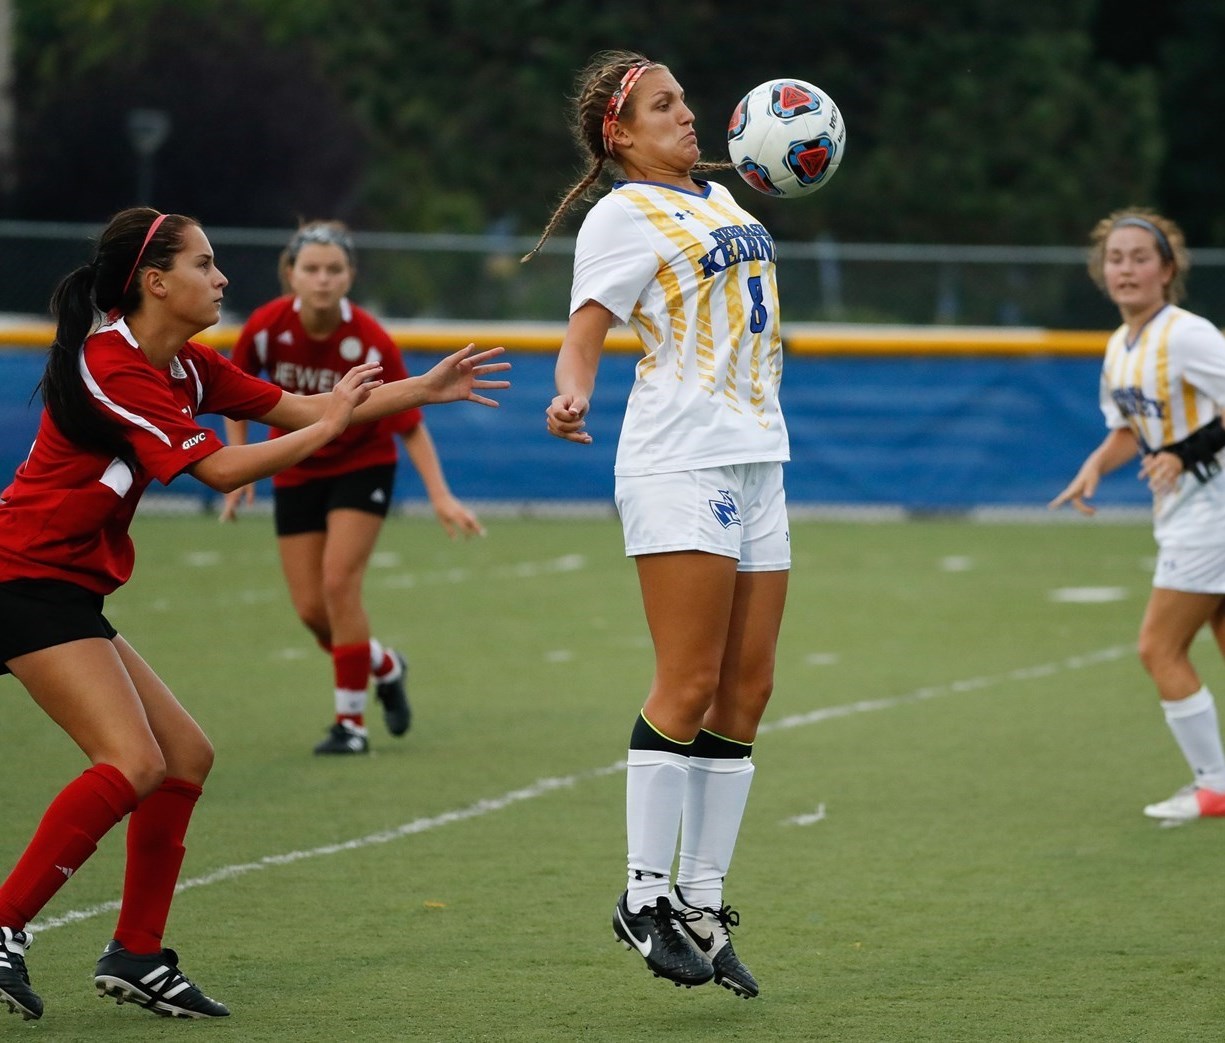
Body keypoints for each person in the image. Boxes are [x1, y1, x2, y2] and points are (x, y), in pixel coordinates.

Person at [0, 207, 508, 1022]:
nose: (223, 278)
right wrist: (332, 425)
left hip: (63, 587)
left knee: (184, 756)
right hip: (20, 581)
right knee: (130, 759)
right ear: (154, 281)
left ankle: (135, 951)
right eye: (205, 263)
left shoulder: (187, 368)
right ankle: (5, 921)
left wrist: (423, 389)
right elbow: (225, 466)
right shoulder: (111, 364)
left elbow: (300, 411)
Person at [524, 51, 792, 998]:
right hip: (680, 459)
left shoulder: (722, 202)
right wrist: (569, 396)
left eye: (684, 100)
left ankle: (704, 902)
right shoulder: (621, 211)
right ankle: (643, 896)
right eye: (662, 106)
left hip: (759, 458)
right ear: (619, 134)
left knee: (746, 689)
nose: (688, 116)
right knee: (687, 679)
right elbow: (586, 326)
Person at [220, 221, 484, 755]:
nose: (321, 280)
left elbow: (408, 422)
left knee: (340, 586)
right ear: (290, 274)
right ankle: (385, 665)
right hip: (296, 467)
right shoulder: (265, 330)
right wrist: (239, 467)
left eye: (333, 270)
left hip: (362, 467)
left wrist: (439, 493)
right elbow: (235, 395)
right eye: (311, 269)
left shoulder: (369, 340)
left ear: (350, 276)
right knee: (312, 611)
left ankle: (351, 725)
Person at [1051, 208, 1225, 824]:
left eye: (1139, 257)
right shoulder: (1122, 347)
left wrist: (1185, 453)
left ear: (1168, 269)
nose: (1125, 268)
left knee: (1158, 647)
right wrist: (1097, 464)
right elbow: (1129, 427)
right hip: (1187, 510)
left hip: (1213, 511)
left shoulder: (1185, 334)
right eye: (1115, 258)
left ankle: (1213, 786)